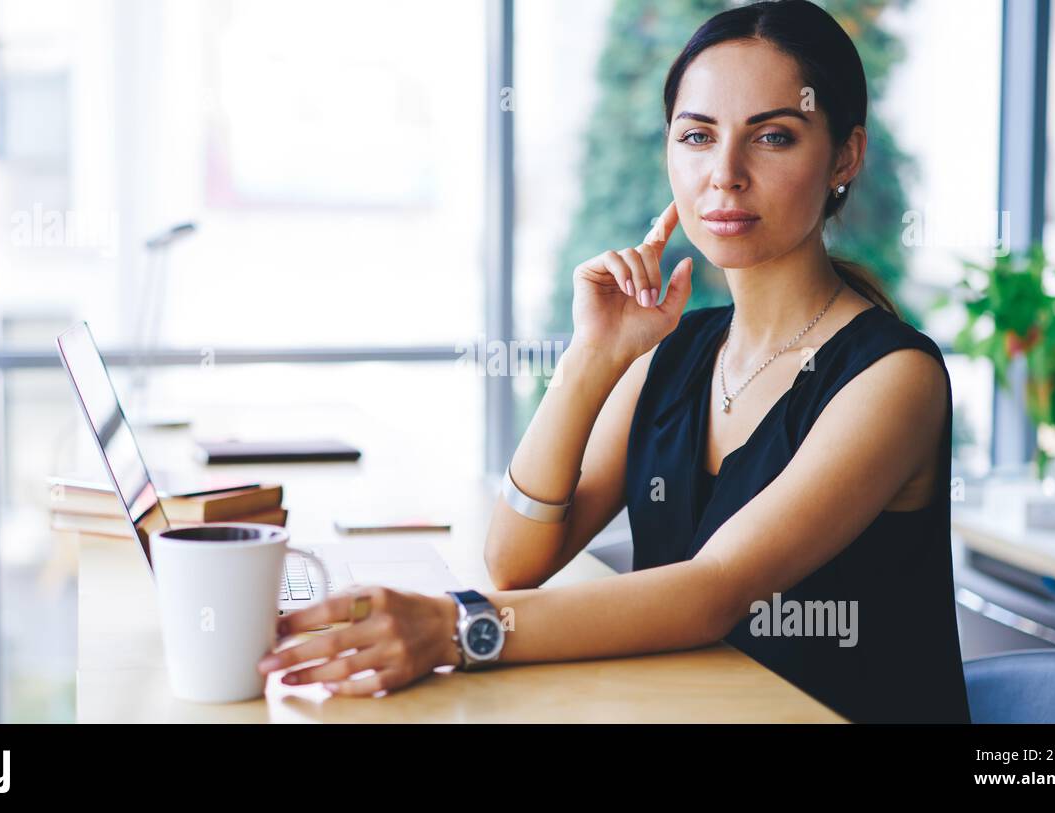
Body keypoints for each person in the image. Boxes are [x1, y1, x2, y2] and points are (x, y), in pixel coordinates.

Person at [259, 0, 970, 723]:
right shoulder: (679, 351)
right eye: (697, 136)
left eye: (773, 137)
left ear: (845, 155)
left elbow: (713, 591)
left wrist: (452, 625)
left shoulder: (893, 377)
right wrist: (593, 358)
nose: (723, 174)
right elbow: (516, 561)